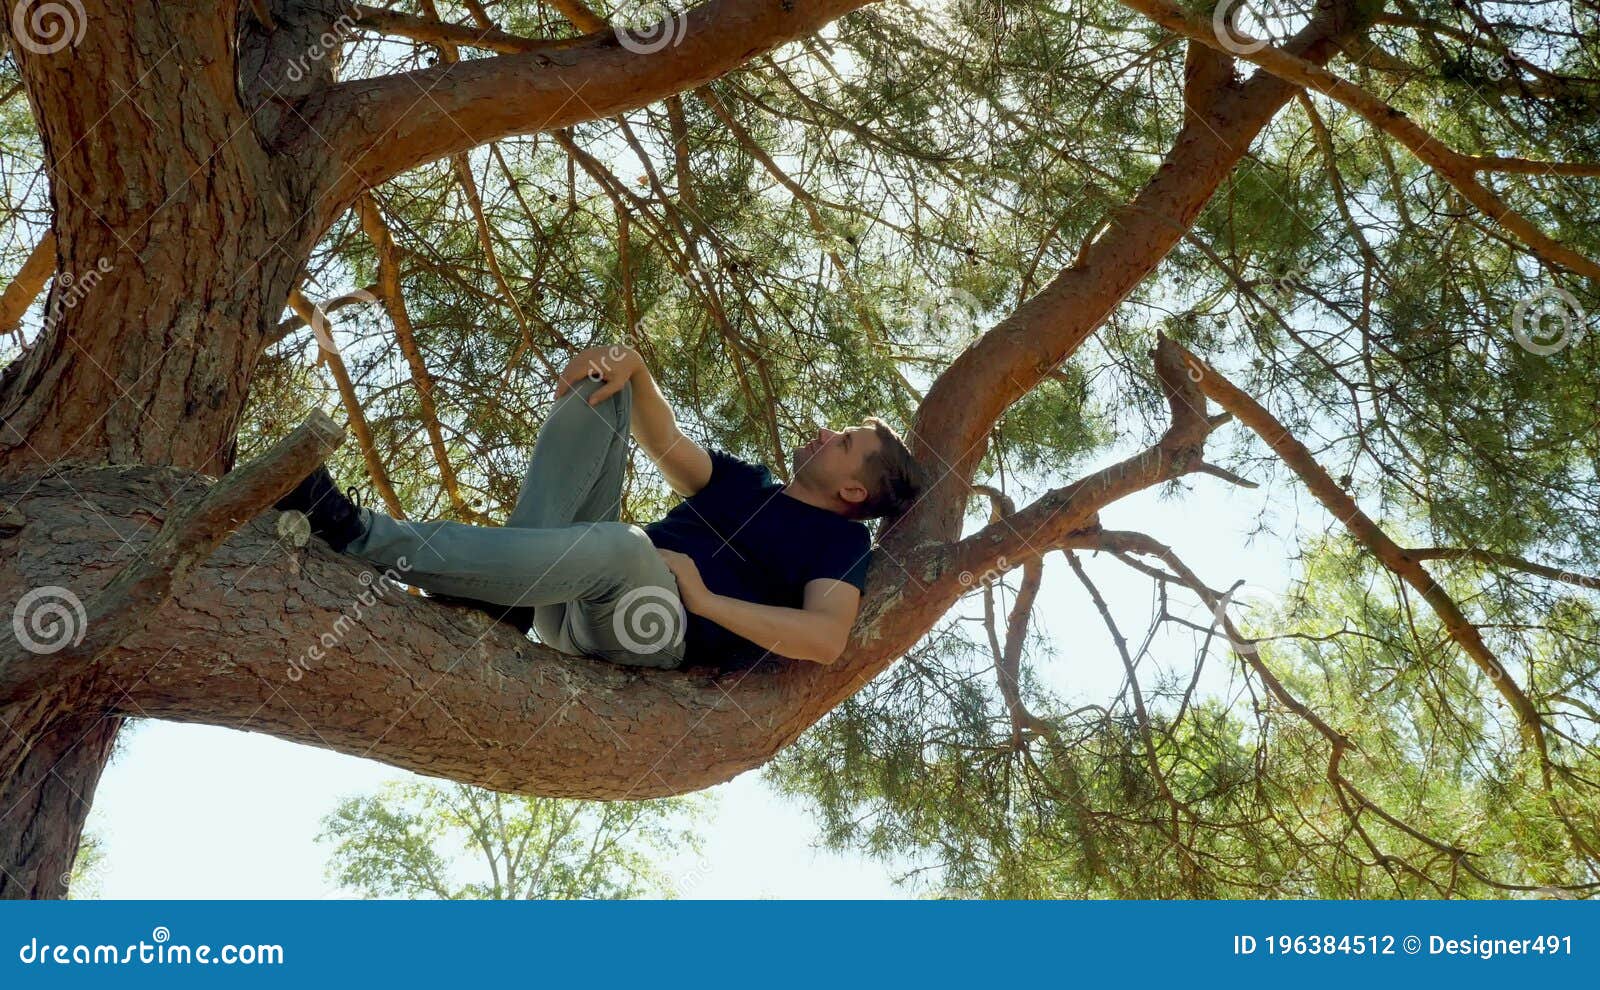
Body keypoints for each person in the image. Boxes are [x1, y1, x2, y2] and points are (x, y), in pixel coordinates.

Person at [274, 345, 927, 671]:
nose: (823, 433)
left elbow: (825, 640)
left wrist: (703, 600)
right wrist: (633, 367)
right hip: (576, 595)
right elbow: (666, 440)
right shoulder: (748, 484)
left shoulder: (842, 547)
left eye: (843, 443)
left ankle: (355, 535)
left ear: (852, 493)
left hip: (650, 628)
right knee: (602, 391)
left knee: (624, 545)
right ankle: (505, 603)